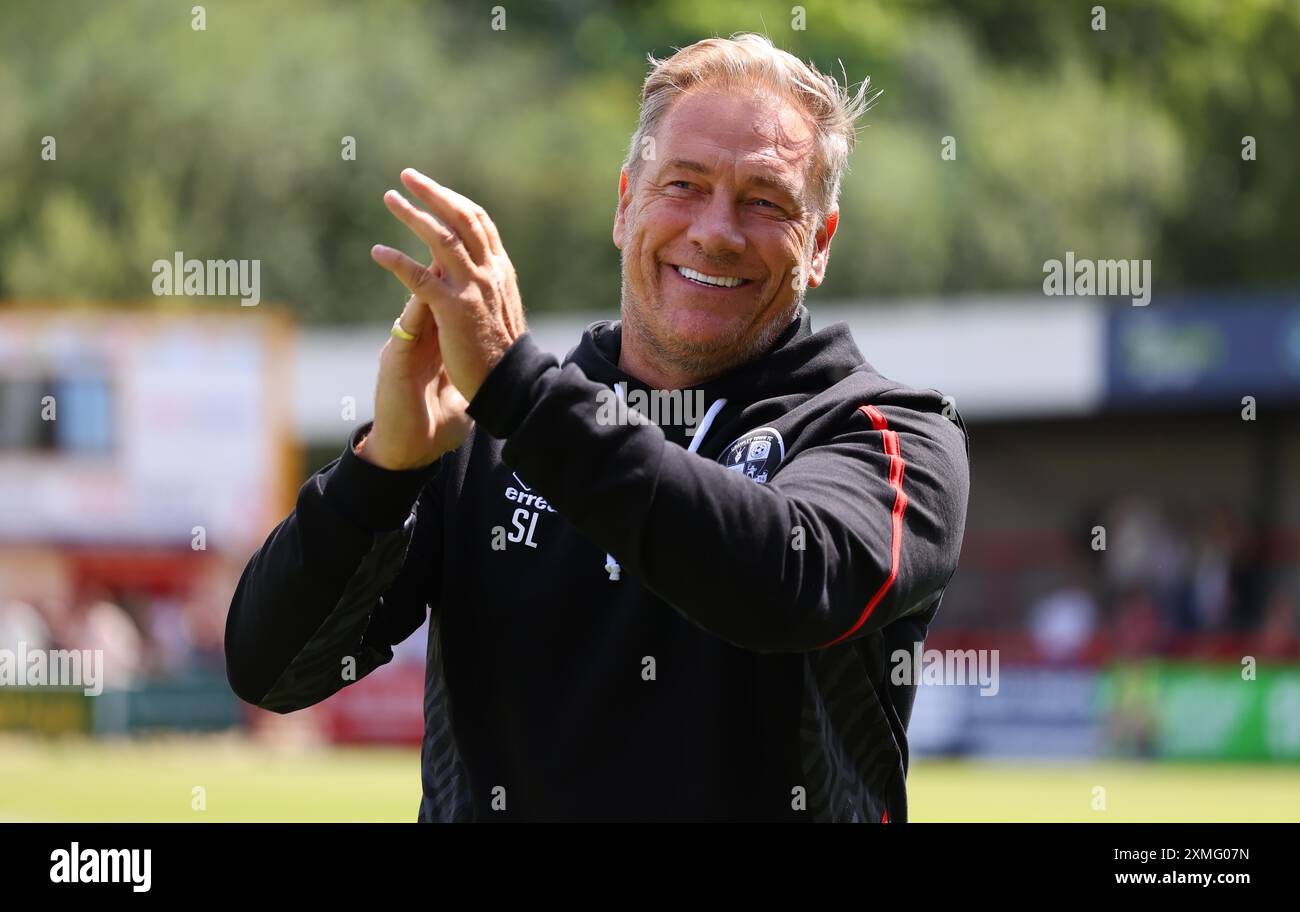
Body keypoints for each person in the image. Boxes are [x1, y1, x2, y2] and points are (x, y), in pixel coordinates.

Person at [225, 33, 970, 822]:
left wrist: (520, 395)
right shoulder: (487, 427)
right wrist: (378, 475)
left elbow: (787, 585)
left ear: (818, 243)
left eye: (765, 200)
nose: (716, 231)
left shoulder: (892, 434)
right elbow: (273, 672)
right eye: (683, 184)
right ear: (625, 205)